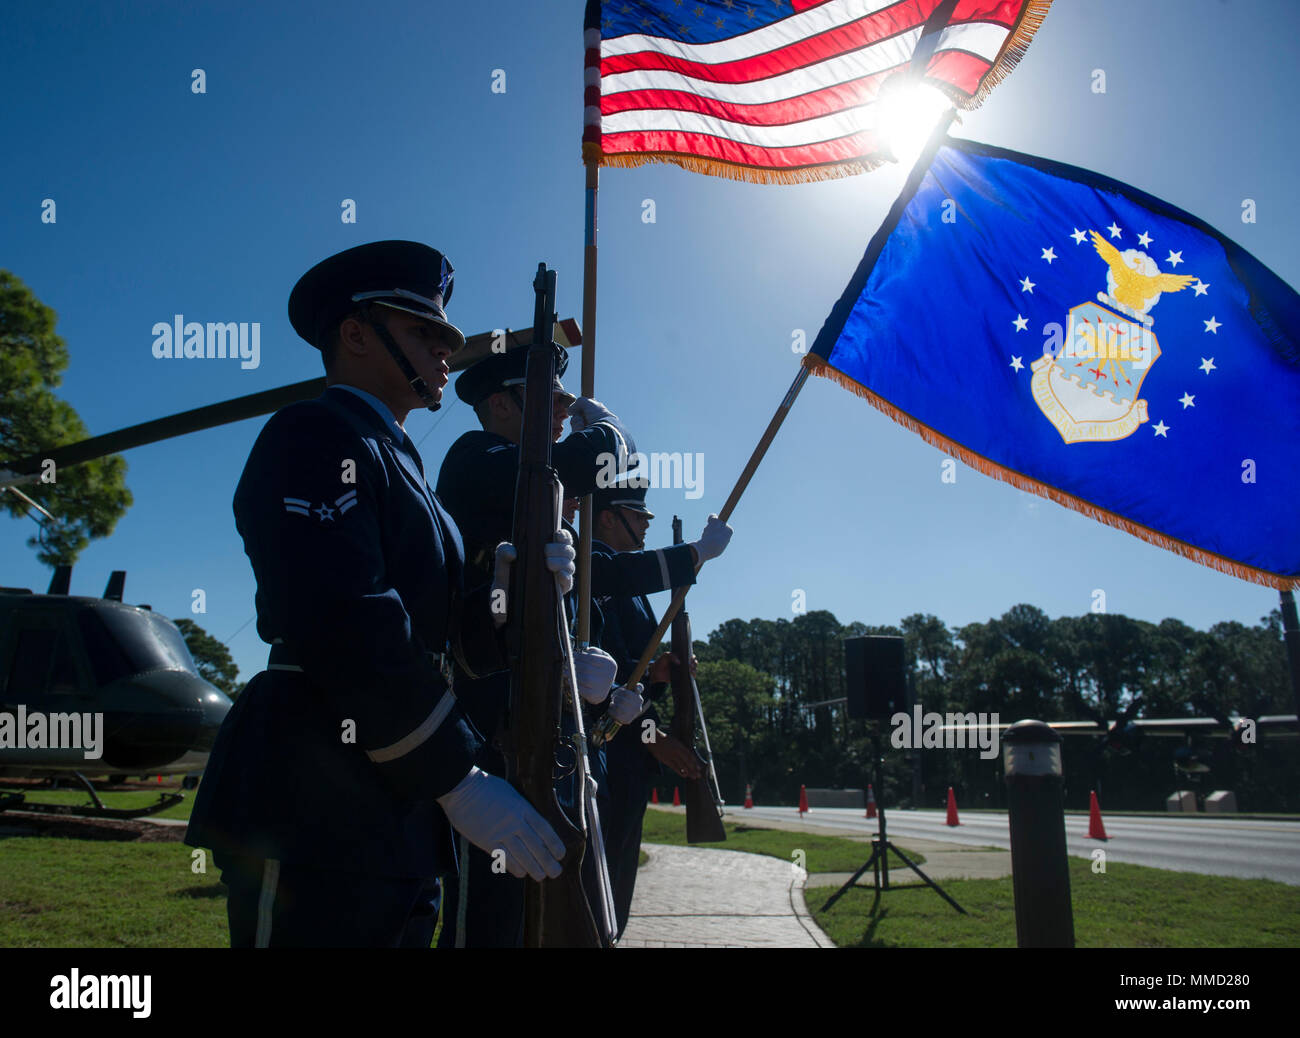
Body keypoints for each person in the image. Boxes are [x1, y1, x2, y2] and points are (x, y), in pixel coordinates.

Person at [185, 240, 606, 947]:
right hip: (309, 801)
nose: (448, 350)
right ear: (354, 335)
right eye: (424, 332)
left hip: (398, 814)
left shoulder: (403, 470)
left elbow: (446, 639)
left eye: (445, 334)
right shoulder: (315, 435)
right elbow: (342, 617)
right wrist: (457, 777)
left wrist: (519, 595)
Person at [435, 341, 633, 946]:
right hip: (488, 721)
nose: (560, 411)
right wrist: (611, 433)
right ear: (500, 403)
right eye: (548, 399)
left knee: (546, 910)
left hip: (540, 716)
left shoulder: (534, 490)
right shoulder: (479, 456)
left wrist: (578, 673)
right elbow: (579, 464)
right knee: (490, 921)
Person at [588, 481, 731, 938]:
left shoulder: (628, 585)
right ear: (608, 517)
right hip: (608, 761)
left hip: (628, 767)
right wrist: (656, 739)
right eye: (638, 515)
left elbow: (632, 676)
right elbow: (598, 685)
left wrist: (658, 673)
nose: (647, 523)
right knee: (597, 898)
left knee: (614, 897)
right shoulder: (595, 577)